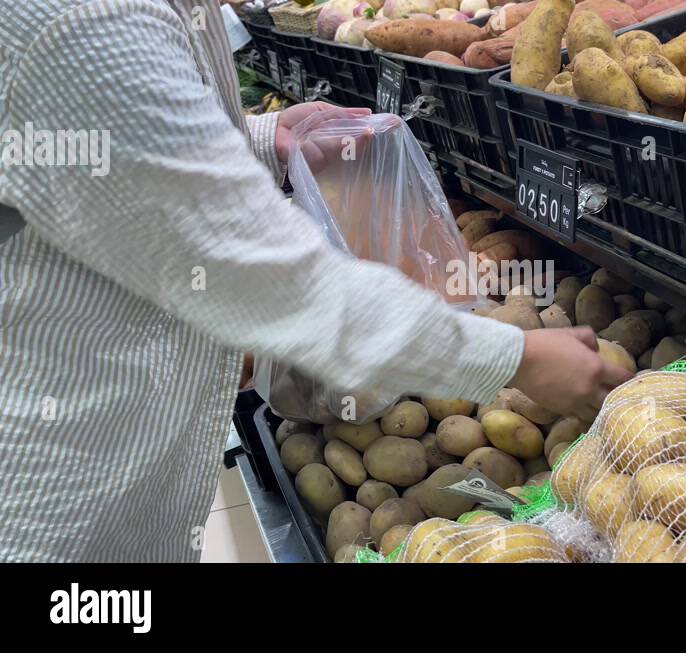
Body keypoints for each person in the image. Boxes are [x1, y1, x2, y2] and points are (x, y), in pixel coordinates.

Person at [0, 0, 631, 562]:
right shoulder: (79, 19)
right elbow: (265, 279)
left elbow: (126, 146)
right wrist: (510, 357)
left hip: (131, 451)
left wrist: (263, 136)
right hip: (65, 494)